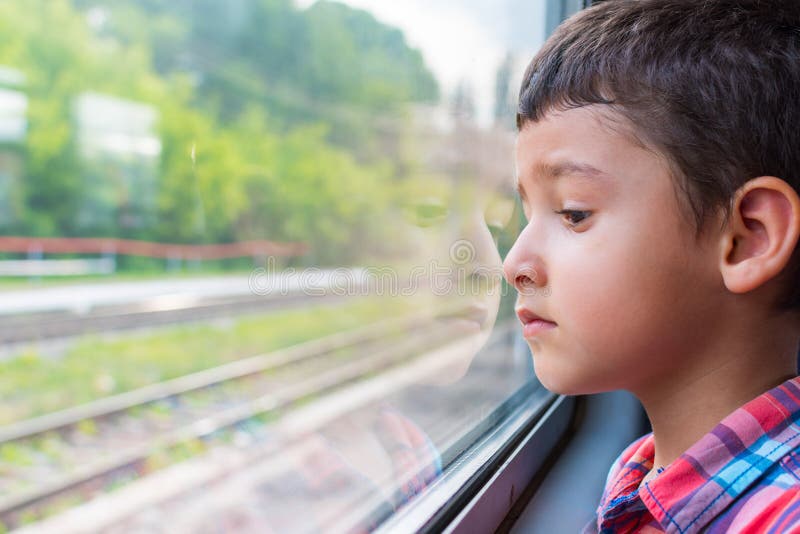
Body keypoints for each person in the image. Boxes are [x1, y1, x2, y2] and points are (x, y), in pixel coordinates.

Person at [502, 1, 800, 532]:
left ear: (746, 239)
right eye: (527, 215)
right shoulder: (639, 472)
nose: (515, 264)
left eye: (573, 213)